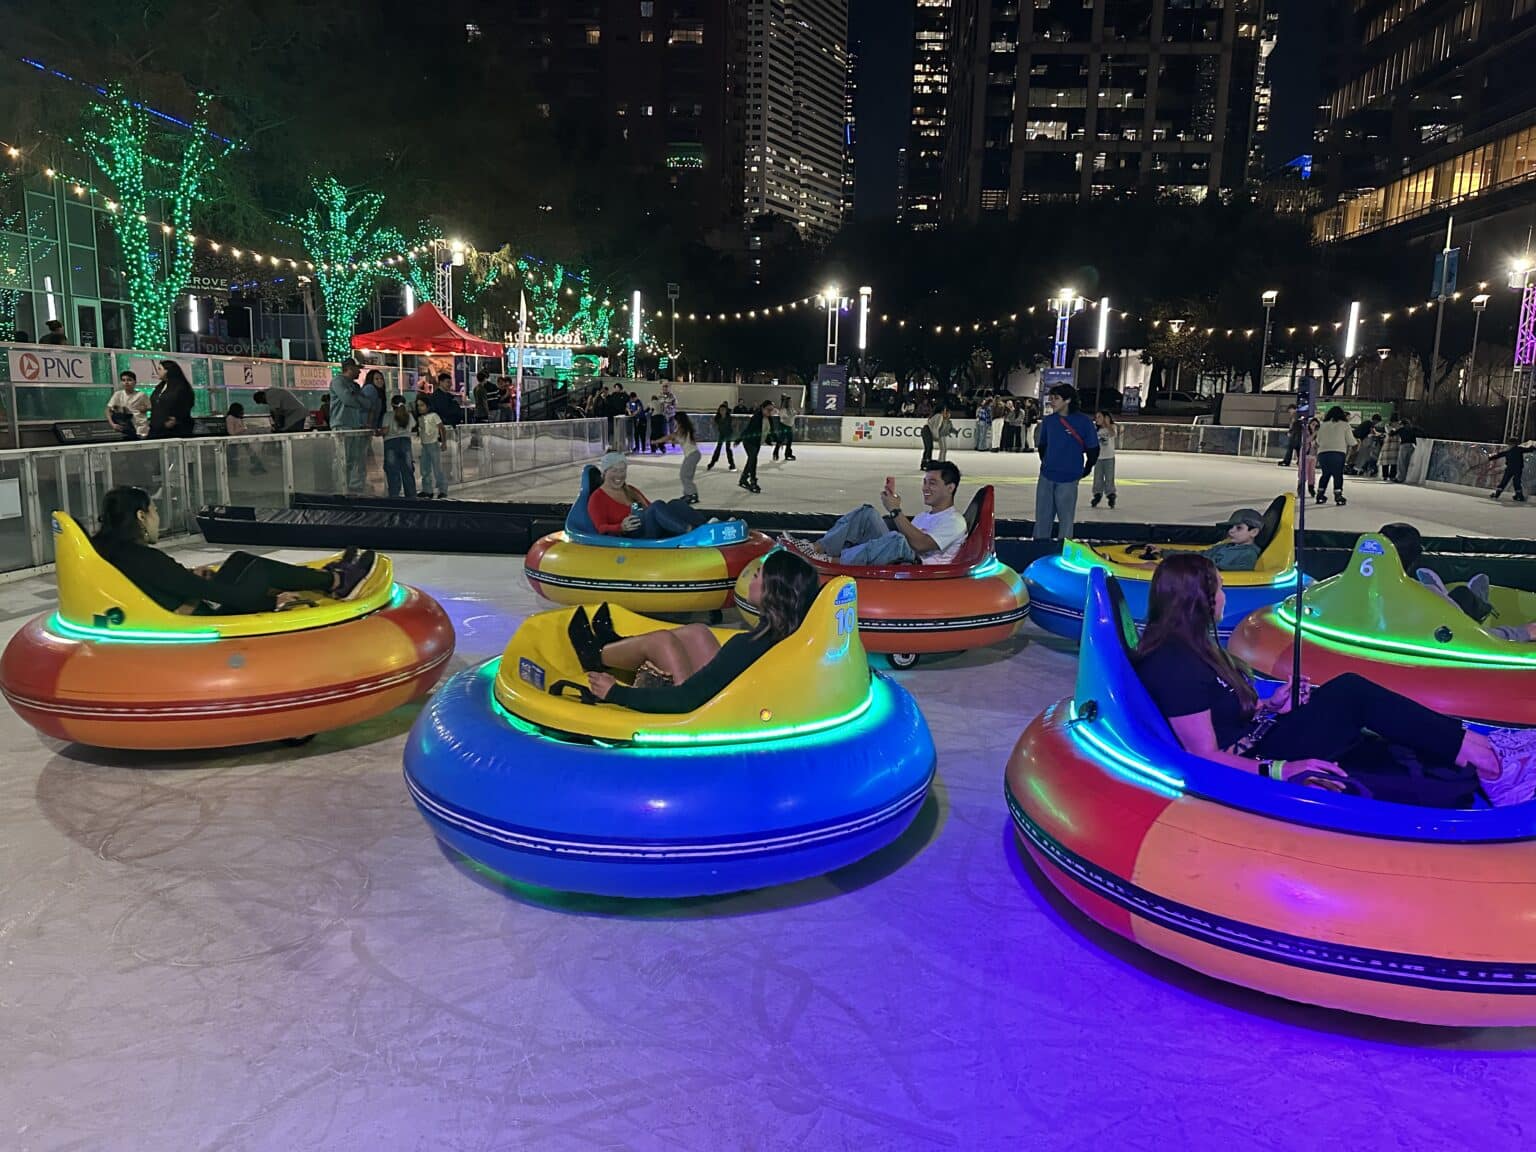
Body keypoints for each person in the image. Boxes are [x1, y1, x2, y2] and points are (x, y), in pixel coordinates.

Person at [1133, 553, 1536, 809]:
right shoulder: (1174, 664)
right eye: (1218, 587)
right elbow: (1203, 755)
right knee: (1351, 691)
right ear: (1198, 599)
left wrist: (1270, 707)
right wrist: (1281, 770)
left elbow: (1220, 715)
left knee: (1340, 695)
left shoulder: (1193, 647)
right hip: (1258, 758)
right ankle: (1490, 764)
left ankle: (1478, 746)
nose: (1223, 595)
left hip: (1263, 734)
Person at [567, 549, 820, 713]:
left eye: (758, 575)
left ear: (772, 591)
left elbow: (685, 700)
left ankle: (596, 654)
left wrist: (616, 693)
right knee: (698, 633)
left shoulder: (748, 645)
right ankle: (614, 645)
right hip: (739, 701)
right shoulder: (793, 632)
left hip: (699, 717)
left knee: (663, 641)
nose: (752, 579)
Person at [91, 487, 376, 615]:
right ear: (140, 517)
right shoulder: (146, 558)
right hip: (201, 620)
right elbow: (224, 596)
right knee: (258, 570)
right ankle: (338, 581)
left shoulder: (114, 551)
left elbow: (172, 582)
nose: (157, 518)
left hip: (180, 605)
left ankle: (325, 577)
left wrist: (191, 577)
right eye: (153, 512)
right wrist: (271, 603)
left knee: (238, 560)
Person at [1380, 522, 1536, 642]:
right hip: (1446, 622)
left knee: (1460, 595)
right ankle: (1479, 601)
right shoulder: (1419, 597)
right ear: (1415, 557)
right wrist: (1524, 632)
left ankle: (1461, 595)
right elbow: (1470, 636)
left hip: (1435, 609)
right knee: (1463, 599)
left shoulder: (1365, 589)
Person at [791, 462, 968, 567]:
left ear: (950, 488)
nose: (925, 488)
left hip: (917, 569)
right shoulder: (924, 516)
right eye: (924, 482)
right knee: (867, 513)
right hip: (901, 554)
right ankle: (815, 549)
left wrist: (896, 511)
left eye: (932, 483)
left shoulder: (955, 521)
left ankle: (829, 561)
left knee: (897, 540)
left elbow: (921, 545)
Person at [586, 451, 709, 538]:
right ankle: (692, 533)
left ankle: (707, 526)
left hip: (648, 528)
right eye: (614, 470)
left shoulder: (630, 490)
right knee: (657, 506)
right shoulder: (597, 498)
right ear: (605, 473)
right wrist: (621, 527)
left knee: (675, 504)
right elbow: (600, 528)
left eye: (622, 470)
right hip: (632, 537)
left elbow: (651, 509)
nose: (619, 475)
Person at [1033, 383, 1100, 540]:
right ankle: (1039, 550)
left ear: (1068, 400)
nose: (1052, 401)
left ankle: (1063, 552)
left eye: (1056, 398)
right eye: (1051, 398)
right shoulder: (1049, 421)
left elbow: (1093, 448)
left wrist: (1088, 467)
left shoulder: (1083, 422)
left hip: (1069, 477)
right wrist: (1048, 463)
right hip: (1047, 476)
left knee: (1066, 520)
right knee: (1042, 519)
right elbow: (1043, 445)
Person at [1138, 508, 1264, 571]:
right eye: (1230, 527)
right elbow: (1200, 555)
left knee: (1154, 568)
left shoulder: (1248, 554)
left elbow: (1234, 576)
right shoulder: (1225, 546)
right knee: (1151, 565)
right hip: (1199, 576)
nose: (1231, 531)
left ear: (1254, 532)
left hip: (1204, 582)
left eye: (1238, 528)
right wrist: (1164, 552)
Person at [328, 359, 366, 490]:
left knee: (351, 458)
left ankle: (347, 486)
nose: (360, 371)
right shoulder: (338, 381)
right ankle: (339, 487)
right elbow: (348, 399)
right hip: (341, 425)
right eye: (357, 368)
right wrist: (358, 400)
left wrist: (357, 398)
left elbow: (365, 402)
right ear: (349, 368)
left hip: (354, 425)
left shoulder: (355, 386)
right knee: (341, 458)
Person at [1315, 405, 1352, 506]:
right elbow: (1351, 441)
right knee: (1337, 474)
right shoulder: (1345, 425)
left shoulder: (1323, 425)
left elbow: (1318, 440)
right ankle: (1338, 495)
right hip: (1338, 453)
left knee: (1325, 474)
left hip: (1323, 453)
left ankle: (1320, 494)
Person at [662, 411, 703, 504]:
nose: (674, 422)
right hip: (693, 454)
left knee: (684, 475)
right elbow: (680, 440)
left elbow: (670, 436)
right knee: (687, 475)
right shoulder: (684, 429)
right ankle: (688, 494)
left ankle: (692, 495)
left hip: (692, 454)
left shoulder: (682, 429)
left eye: (675, 420)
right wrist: (673, 442)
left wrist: (656, 441)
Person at [148, 360, 195, 439]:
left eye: (159, 369)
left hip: (175, 429)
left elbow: (187, 404)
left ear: (167, 371)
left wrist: (176, 419)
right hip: (157, 428)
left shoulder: (181, 387)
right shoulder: (160, 387)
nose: (157, 371)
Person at [414, 395, 449, 499]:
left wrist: (443, 442)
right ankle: (427, 490)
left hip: (433, 444)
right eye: (418, 406)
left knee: (437, 469)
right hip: (424, 445)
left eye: (422, 405)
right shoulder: (420, 418)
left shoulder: (434, 415)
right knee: (425, 469)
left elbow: (442, 428)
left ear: (428, 406)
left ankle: (442, 490)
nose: (420, 408)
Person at [383, 395, 417, 498]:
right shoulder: (409, 416)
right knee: (408, 470)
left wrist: (378, 432)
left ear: (392, 404)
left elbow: (385, 430)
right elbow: (413, 426)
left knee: (393, 470)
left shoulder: (388, 415)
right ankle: (411, 497)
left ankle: (394, 496)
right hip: (405, 442)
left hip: (390, 443)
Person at [105, 370, 150, 440]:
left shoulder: (141, 395)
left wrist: (145, 409)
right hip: (126, 428)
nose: (126, 382)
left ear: (135, 382)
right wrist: (112, 424)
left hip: (141, 428)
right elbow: (108, 410)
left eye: (129, 380)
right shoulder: (118, 394)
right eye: (123, 380)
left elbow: (150, 407)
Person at [738, 400, 770, 494]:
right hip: (749, 442)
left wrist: (775, 441)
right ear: (763, 408)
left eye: (771, 410)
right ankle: (753, 481)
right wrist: (739, 439)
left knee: (751, 460)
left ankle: (744, 478)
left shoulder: (768, 418)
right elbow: (748, 430)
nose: (770, 412)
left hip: (757, 442)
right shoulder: (756, 417)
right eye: (768, 409)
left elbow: (768, 431)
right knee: (753, 459)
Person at [1090, 410, 1118, 509]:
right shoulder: (1095, 430)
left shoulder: (1112, 427)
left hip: (1109, 457)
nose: (1096, 419)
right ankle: (1097, 494)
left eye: (1099, 417)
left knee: (1109, 477)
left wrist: (1107, 424)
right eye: (1096, 417)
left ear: (1105, 418)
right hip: (1098, 458)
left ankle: (1111, 495)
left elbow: (1113, 434)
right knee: (1098, 478)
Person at [707, 402, 736, 471]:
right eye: (721, 410)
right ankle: (712, 462)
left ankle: (732, 464)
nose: (722, 411)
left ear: (726, 410)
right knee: (718, 448)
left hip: (728, 434)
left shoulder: (729, 417)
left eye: (723, 410)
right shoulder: (717, 418)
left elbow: (733, 426)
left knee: (728, 448)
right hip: (722, 434)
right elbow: (714, 424)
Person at [1393, 417, 1420, 483]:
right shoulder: (1413, 428)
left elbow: (1392, 434)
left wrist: (1394, 429)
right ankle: (1405, 477)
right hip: (1412, 445)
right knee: (1407, 463)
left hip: (1404, 445)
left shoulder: (1402, 429)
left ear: (1403, 424)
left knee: (1401, 462)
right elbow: (1422, 432)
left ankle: (1400, 478)